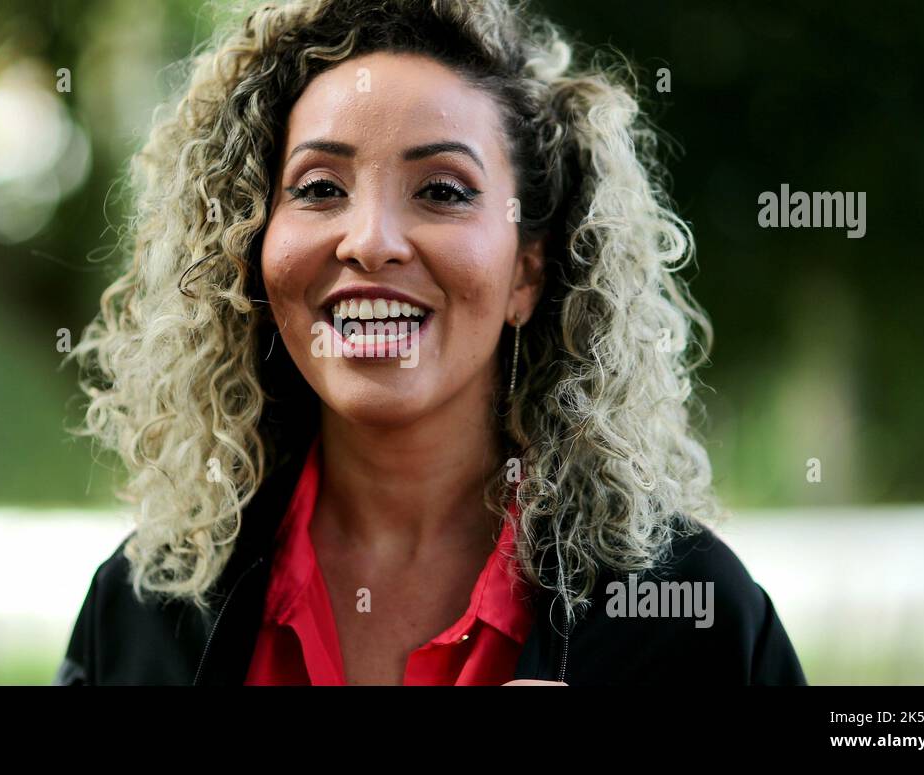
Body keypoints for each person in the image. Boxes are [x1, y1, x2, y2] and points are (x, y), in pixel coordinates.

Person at [55, 0, 806, 686]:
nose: (372, 242)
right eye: (319, 187)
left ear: (527, 272)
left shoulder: (692, 615)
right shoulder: (144, 607)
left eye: (442, 190)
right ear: (251, 248)